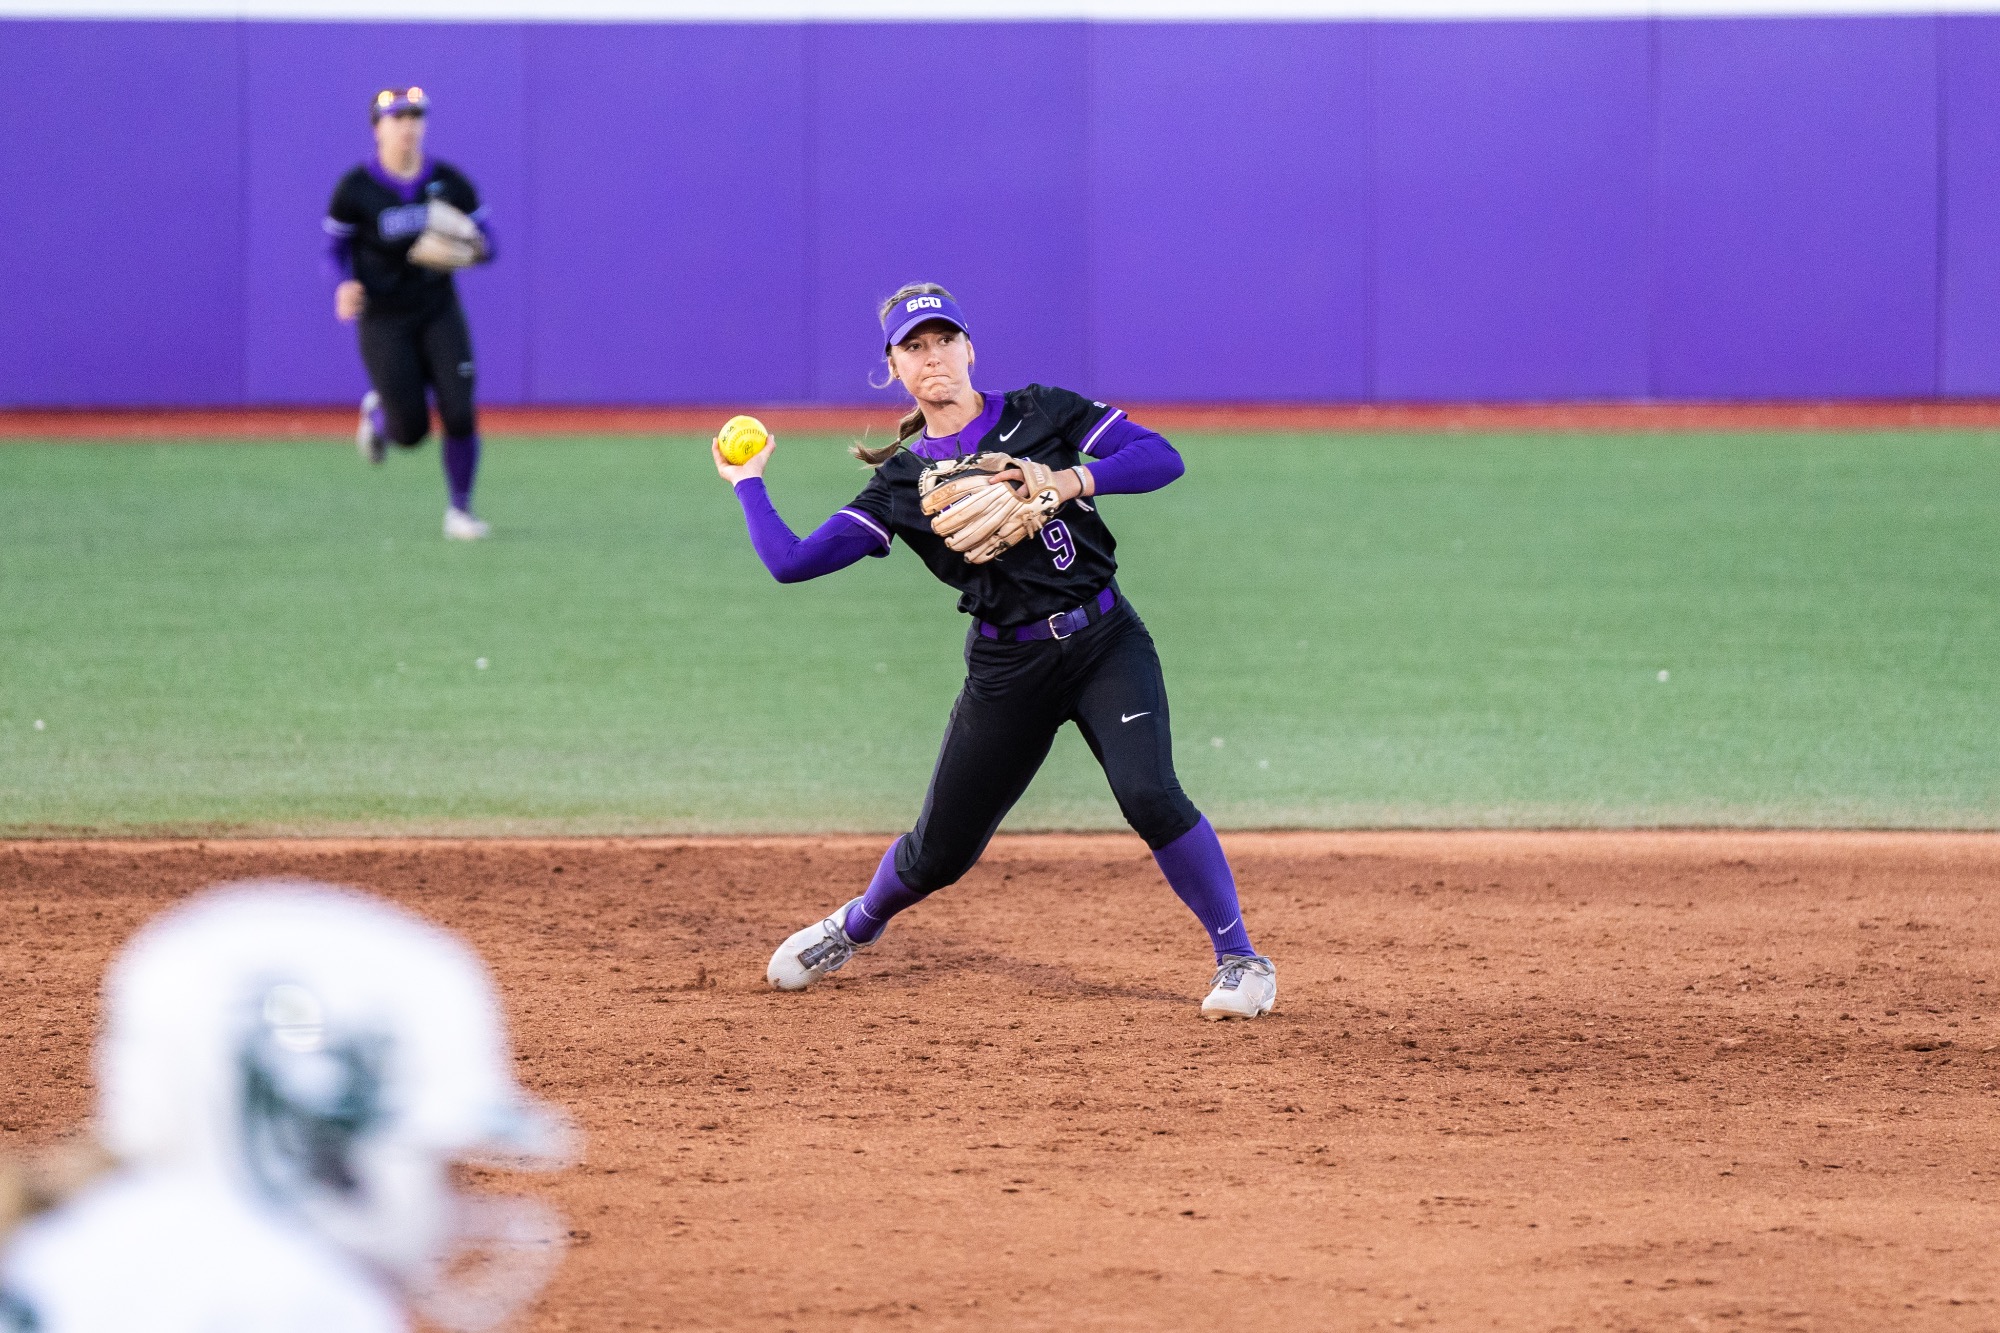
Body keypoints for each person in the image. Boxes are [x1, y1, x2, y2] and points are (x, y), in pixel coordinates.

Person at [716, 283, 1278, 1020]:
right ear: (894, 367)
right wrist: (748, 481)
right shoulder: (900, 484)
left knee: (1150, 794)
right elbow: (791, 562)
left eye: (944, 340)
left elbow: (1161, 457)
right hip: (1008, 671)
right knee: (937, 856)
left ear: (970, 349)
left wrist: (1071, 480)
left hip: (1104, 640)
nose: (933, 357)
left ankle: (1242, 960)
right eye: (914, 347)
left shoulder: (1040, 411)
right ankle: (854, 926)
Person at [0, 880, 574, 1332]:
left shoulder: (58, 1265)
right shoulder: (306, 1308)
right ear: (328, 1146)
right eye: (440, 1165)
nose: (450, 1190)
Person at [325, 86, 495, 541]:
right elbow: (334, 248)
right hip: (384, 317)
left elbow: (488, 241)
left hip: (438, 308)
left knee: (459, 410)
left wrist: (473, 248)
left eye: (415, 116)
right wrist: (343, 283)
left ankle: (460, 511)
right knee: (411, 430)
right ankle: (379, 418)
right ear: (377, 128)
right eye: (397, 117)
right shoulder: (357, 189)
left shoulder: (448, 183)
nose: (408, 126)